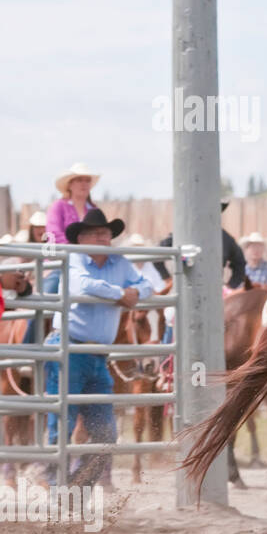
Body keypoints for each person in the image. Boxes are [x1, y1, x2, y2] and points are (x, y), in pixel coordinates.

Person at [44, 209, 155, 487]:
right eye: (94, 233)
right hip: (69, 348)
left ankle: (78, 486)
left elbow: (147, 285)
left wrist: (135, 293)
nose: (101, 237)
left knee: (105, 432)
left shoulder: (119, 262)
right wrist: (120, 294)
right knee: (63, 425)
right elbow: (83, 284)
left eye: (104, 232)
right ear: (81, 238)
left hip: (96, 355)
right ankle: (58, 488)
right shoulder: (74, 258)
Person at [45, 163, 100, 246]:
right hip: (63, 256)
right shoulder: (58, 206)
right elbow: (53, 234)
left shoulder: (94, 210)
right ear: (69, 185)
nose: (84, 184)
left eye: (87, 180)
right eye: (79, 180)